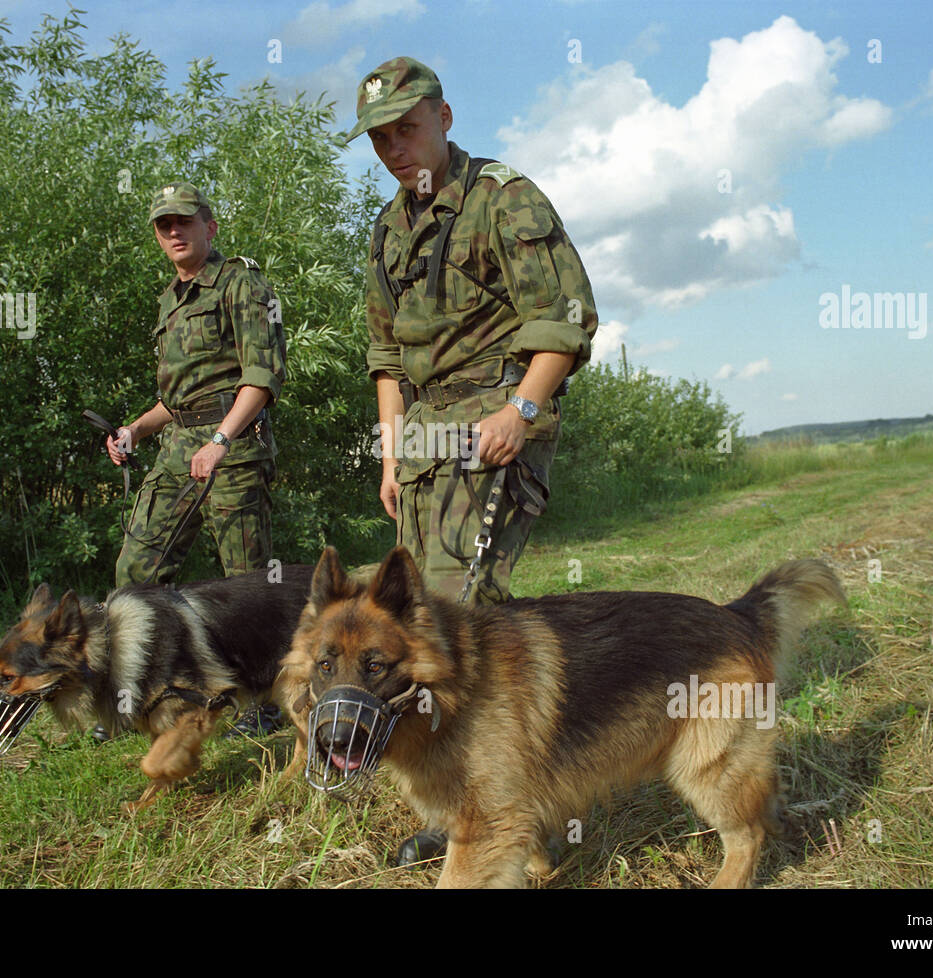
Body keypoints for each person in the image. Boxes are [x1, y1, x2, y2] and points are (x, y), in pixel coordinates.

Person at [346, 57, 598, 860]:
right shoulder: (388, 229)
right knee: (421, 622)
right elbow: (385, 358)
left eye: (407, 129)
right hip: (422, 441)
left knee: (463, 611)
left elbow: (565, 319)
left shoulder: (502, 198)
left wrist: (521, 410)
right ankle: (465, 800)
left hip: (492, 416)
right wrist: (391, 454)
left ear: (445, 118)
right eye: (380, 138)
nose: (394, 147)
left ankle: (504, 816)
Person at [106, 181, 287, 734]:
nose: (174, 232)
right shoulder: (170, 300)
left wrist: (222, 441)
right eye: (164, 225)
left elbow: (263, 376)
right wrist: (136, 430)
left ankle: (267, 703)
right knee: (136, 570)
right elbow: (174, 398)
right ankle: (132, 694)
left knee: (248, 582)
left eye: (184, 221)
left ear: (209, 226)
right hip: (175, 450)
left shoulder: (241, 283)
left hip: (231, 449)